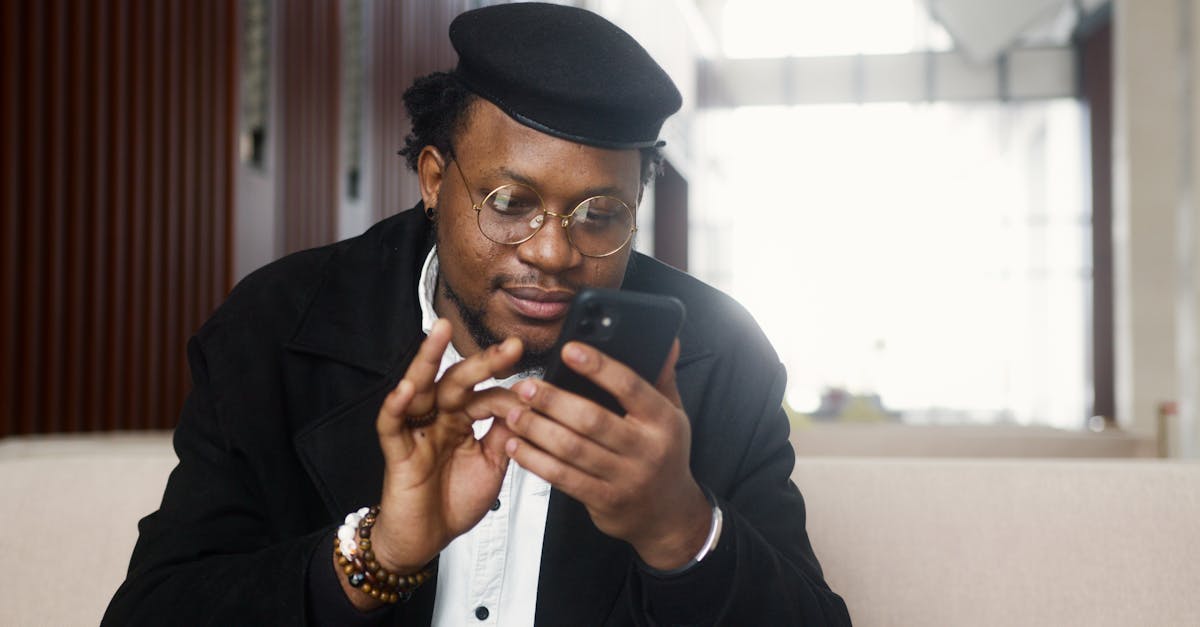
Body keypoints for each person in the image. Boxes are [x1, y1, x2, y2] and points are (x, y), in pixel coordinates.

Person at [104, 3, 850, 625]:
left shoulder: (720, 358)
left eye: (601, 213)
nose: (555, 252)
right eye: (511, 202)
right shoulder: (275, 331)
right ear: (434, 180)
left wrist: (681, 529)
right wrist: (376, 554)